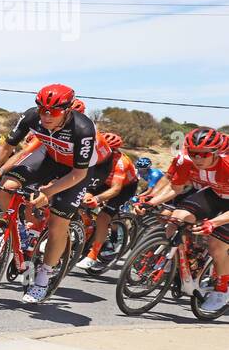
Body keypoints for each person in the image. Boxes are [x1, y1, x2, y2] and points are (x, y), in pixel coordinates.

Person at [0, 84, 96, 303]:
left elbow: (80, 172)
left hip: (75, 172)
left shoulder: (83, 129)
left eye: (54, 111)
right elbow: (6, 147)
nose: (47, 116)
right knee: (8, 186)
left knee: (57, 224)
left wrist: (48, 191)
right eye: (42, 109)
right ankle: (20, 230)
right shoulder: (32, 117)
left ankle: (43, 277)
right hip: (49, 158)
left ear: (68, 109)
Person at [140, 127, 229, 313]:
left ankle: (221, 291)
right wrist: (151, 202)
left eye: (203, 155)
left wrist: (213, 223)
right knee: (176, 217)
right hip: (214, 193)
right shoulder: (185, 160)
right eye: (193, 153)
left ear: (216, 153)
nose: (197, 159)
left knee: (216, 245)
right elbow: (175, 188)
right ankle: (177, 260)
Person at [77, 132, 137, 271]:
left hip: (124, 188)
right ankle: (87, 229)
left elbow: (116, 190)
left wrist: (97, 199)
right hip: (104, 182)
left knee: (103, 218)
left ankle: (93, 255)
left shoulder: (121, 162)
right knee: (80, 199)